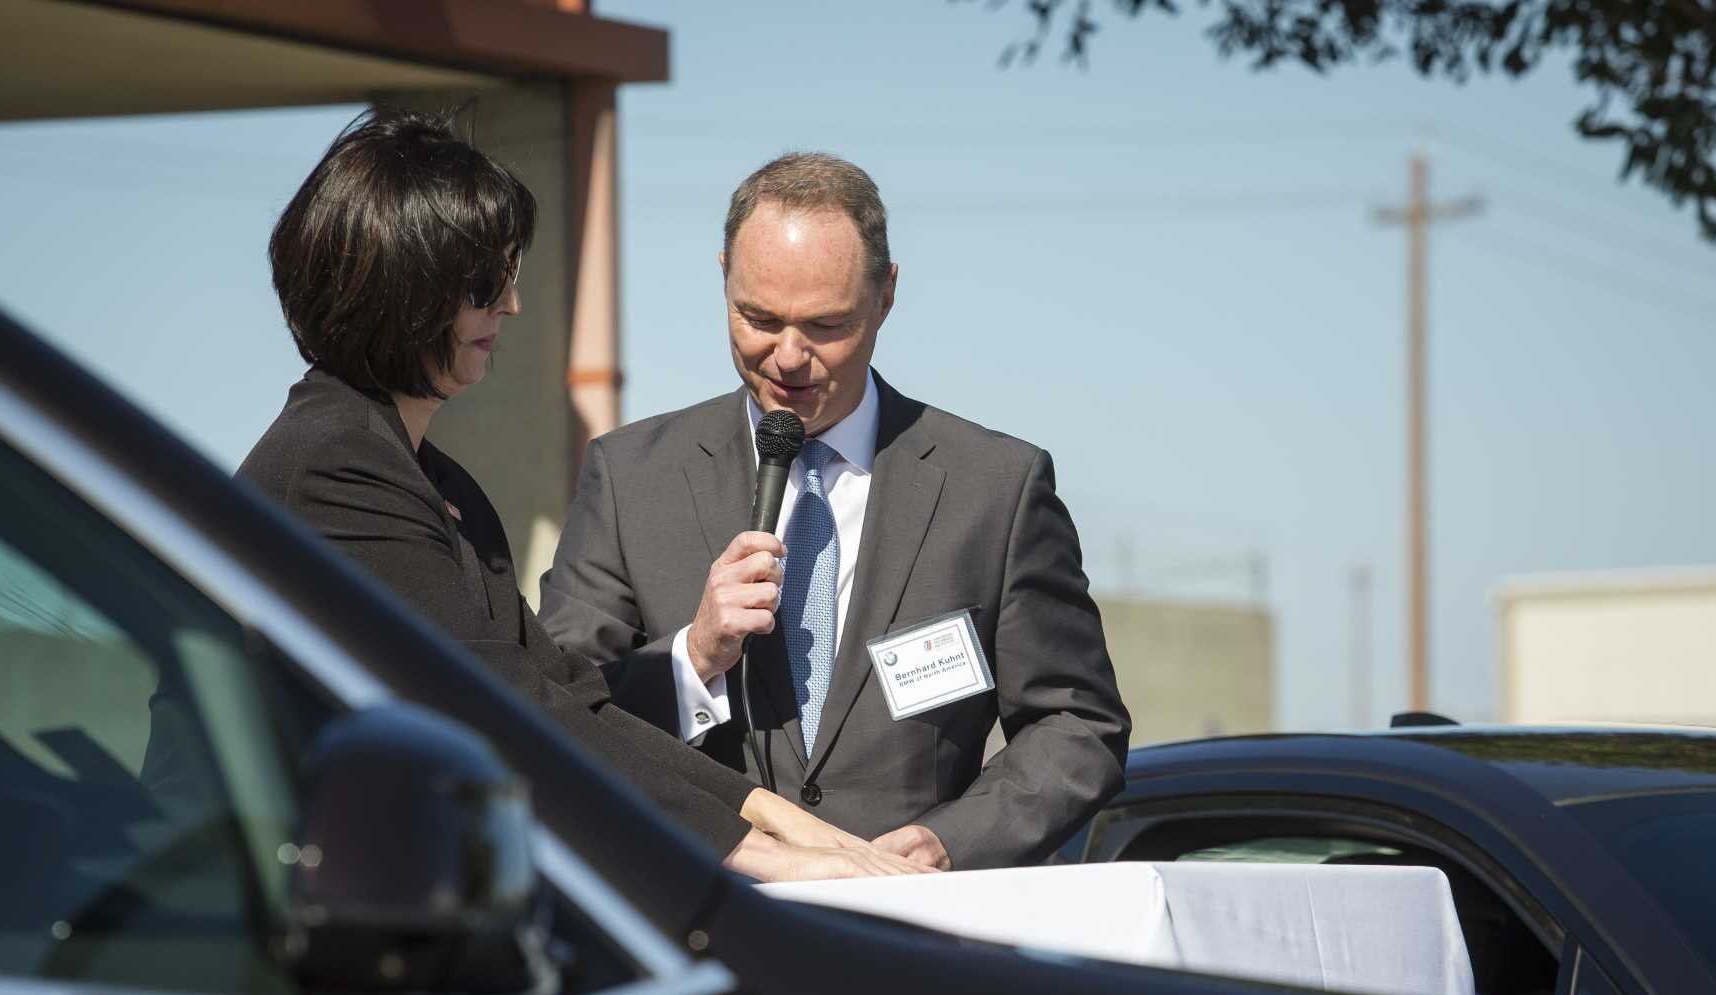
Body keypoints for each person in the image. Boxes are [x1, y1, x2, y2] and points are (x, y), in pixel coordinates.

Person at [241, 112, 925, 882]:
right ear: (402, 292)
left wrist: (797, 829)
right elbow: (503, 715)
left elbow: (568, 701)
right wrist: (763, 858)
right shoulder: (338, 469)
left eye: (509, 274)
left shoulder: (434, 479)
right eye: (483, 284)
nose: (511, 305)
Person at [538, 153, 1130, 871]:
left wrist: (952, 841)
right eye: (757, 317)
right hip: (698, 926)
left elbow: (1076, 725)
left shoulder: (994, 488)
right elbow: (555, 710)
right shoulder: (632, 477)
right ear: (724, 274)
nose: (787, 357)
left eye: (825, 325)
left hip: (912, 933)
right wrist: (695, 658)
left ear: (885, 297)